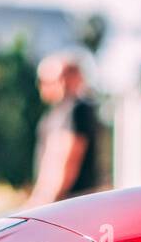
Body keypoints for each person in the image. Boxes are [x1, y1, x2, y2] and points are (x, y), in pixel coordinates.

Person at [27, 53, 98, 205]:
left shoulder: (76, 110)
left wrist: (42, 203)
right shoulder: (57, 113)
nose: (43, 86)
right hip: (64, 203)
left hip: (71, 203)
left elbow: (66, 162)